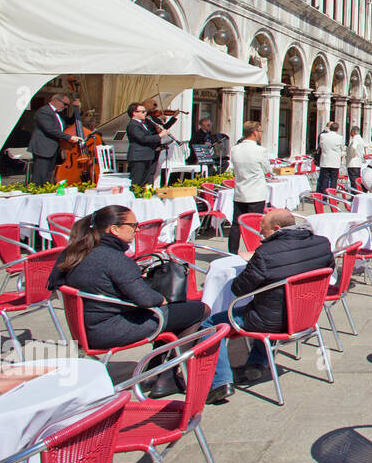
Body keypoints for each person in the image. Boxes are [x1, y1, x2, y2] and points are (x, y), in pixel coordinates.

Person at [48, 205, 208, 398]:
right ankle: (167, 375)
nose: (137, 230)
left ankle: (158, 372)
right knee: (199, 310)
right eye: (133, 225)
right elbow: (146, 299)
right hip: (111, 329)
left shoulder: (74, 252)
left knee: (178, 314)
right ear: (114, 229)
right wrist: (163, 299)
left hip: (85, 327)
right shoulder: (113, 258)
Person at [204, 209, 335, 400]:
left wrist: (254, 263)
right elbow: (329, 269)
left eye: (263, 228)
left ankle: (221, 382)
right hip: (306, 315)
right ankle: (257, 363)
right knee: (269, 302)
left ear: (276, 228)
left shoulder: (266, 253)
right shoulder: (322, 243)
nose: (260, 233)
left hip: (272, 321)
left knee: (211, 323)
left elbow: (239, 289)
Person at [228, 121, 271, 256]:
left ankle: (232, 252)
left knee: (236, 224)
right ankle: (254, 250)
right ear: (254, 132)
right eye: (260, 132)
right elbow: (266, 169)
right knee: (255, 224)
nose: (260, 134)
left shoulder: (235, 149)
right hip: (256, 193)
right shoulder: (260, 150)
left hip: (240, 191)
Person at [28, 93, 85, 186]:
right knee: (40, 175)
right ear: (56, 101)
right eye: (65, 104)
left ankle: (45, 192)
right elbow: (50, 129)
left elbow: (70, 122)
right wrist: (69, 137)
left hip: (53, 148)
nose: (66, 107)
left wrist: (77, 110)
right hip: (43, 147)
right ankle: (38, 193)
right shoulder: (44, 111)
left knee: (48, 174)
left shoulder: (59, 113)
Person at [125, 102, 175, 188]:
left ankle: (144, 197)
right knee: (137, 181)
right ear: (135, 113)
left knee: (145, 181)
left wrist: (158, 133)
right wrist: (159, 136)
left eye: (145, 111)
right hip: (138, 157)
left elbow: (149, 136)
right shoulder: (133, 125)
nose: (145, 113)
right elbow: (143, 139)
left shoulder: (143, 123)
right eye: (143, 111)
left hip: (147, 155)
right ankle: (135, 198)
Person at [316, 121, 344, 197]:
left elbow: (321, 146)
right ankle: (332, 197)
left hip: (325, 160)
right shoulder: (340, 137)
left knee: (325, 180)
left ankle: (324, 196)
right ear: (337, 129)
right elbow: (342, 148)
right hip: (335, 161)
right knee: (333, 180)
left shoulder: (323, 136)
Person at [346, 127, 368, 191]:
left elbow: (353, 147)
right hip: (358, 162)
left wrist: (352, 153)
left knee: (353, 180)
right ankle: (357, 192)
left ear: (353, 132)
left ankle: (354, 194)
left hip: (353, 162)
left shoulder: (355, 139)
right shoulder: (360, 139)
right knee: (356, 180)